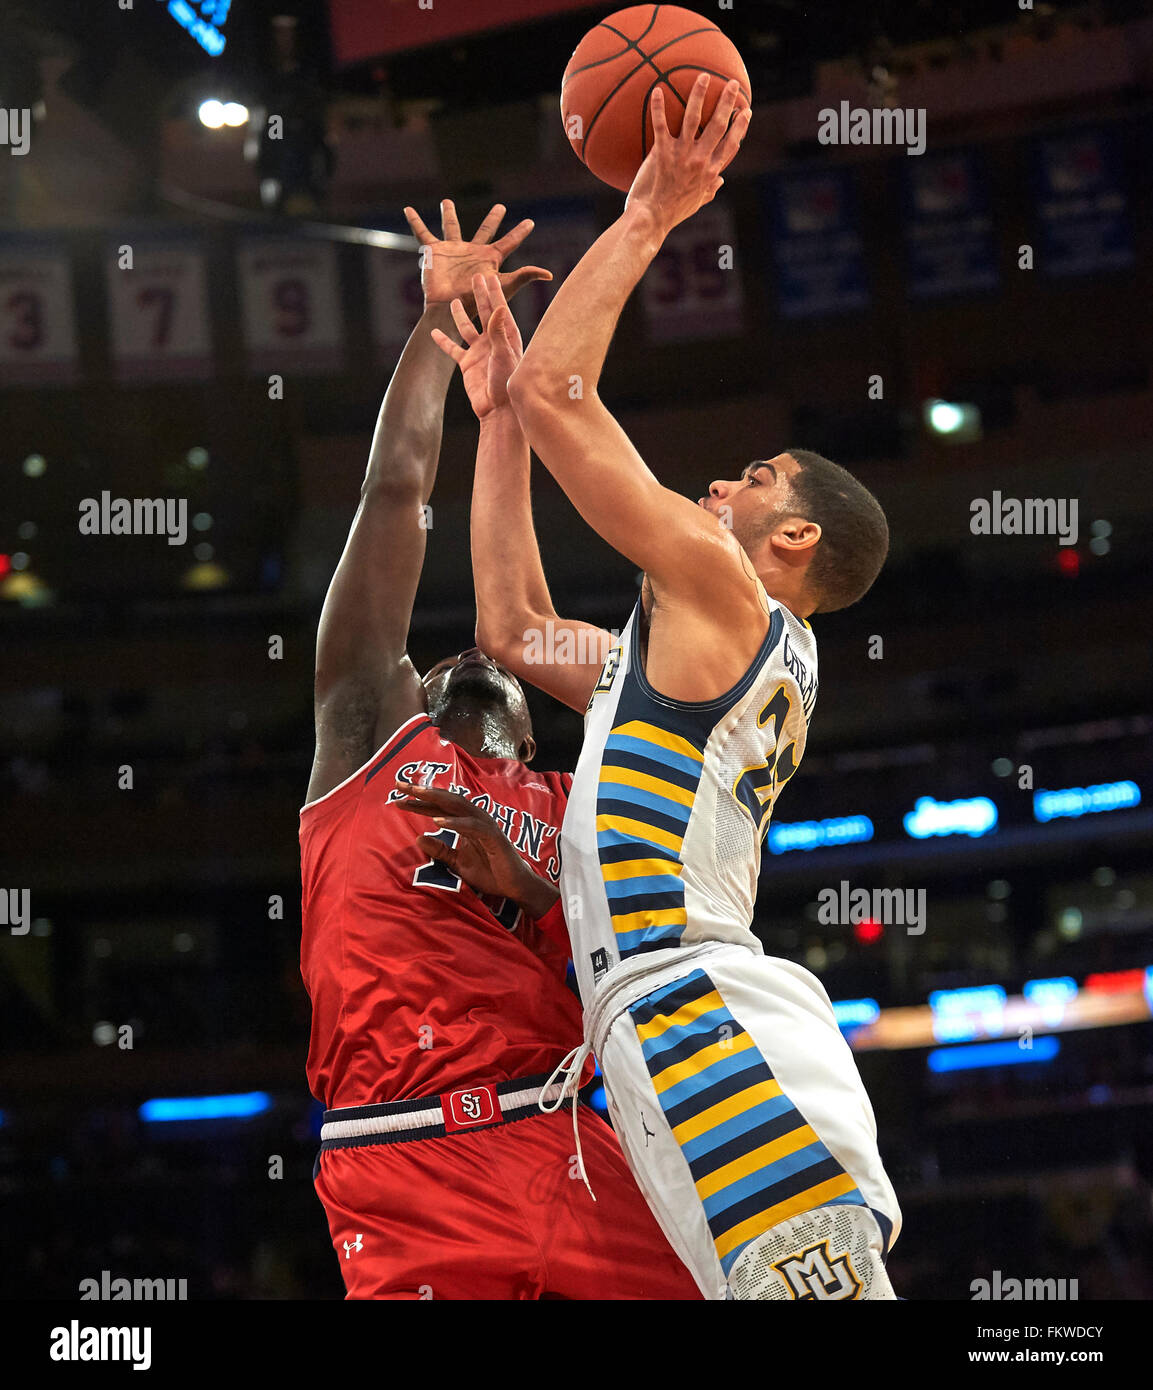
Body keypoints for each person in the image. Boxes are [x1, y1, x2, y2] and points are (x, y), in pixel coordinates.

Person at [437, 79, 901, 1300]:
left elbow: (561, 393)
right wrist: (493, 423)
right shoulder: (704, 651)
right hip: (672, 1011)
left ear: (793, 539)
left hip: (696, 1006)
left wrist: (648, 213)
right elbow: (516, 628)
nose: (724, 484)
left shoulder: (726, 592)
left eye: (757, 476)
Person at [301, 198, 699, 1300]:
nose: (447, 669)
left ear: (532, 712)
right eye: (424, 675)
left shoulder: (586, 793)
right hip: (401, 1152)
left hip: (566, 1133)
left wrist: (526, 879)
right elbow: (392, 494)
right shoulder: (360, 751)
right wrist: (431, 340)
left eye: (475, 669)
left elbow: (652, 937)